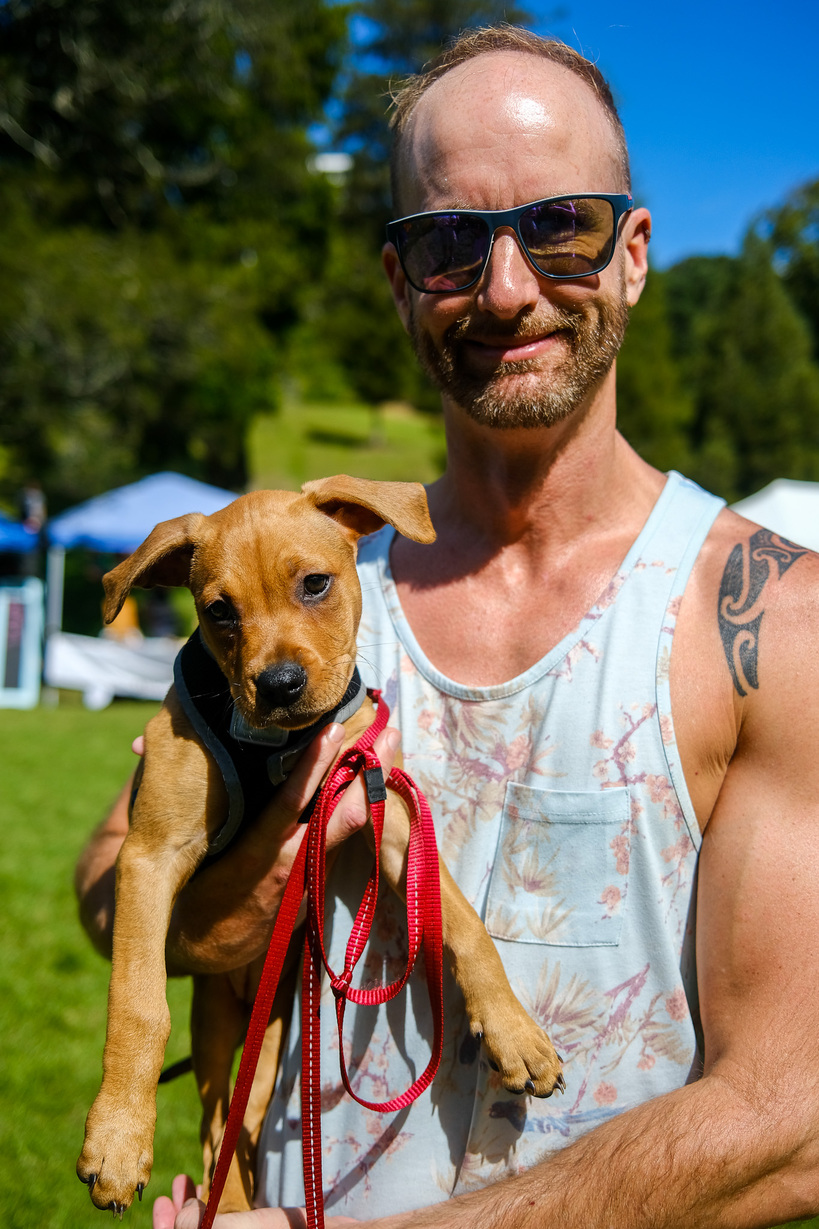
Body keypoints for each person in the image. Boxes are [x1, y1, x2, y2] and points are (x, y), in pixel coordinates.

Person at [76, 25, 819, 1229]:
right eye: (449, 241)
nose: (507, 287)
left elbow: (795, 1116)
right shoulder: (312, 584)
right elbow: (118, 883)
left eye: (561, 227)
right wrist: (257, 868)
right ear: (398, 280)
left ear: (634, 254)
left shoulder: (777, 622)